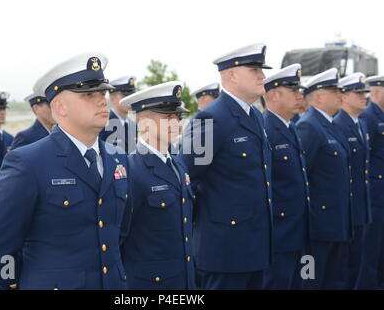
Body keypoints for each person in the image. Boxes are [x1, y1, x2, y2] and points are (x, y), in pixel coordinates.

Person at [0, 53, 130, 290]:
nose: (103, 101)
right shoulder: (28, 162)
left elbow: (119, 234)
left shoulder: (118, 157)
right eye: (89, 94)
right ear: (60, 106)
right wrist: (26, 283)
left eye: (103, 93)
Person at [179, 43, 273, 290]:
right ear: (231, 74)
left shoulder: (256, 116)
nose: (262, 75)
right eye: (254, 70)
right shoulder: (212, 118)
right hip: (225, 249)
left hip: (255, 245)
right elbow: (185, 178)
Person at [119, 81, 195, 289]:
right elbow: (119, 237)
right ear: (144, 125)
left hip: (183, 280)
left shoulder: (177, 163)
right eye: (167, 117)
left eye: (178, 117)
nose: (177, 124)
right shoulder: (132, 170)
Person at [297, 68, 353, 289]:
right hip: (318, 227)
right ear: (318, 96)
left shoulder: (330, 124)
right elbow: (303, 177)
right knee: (312, 281)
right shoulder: (308, 126)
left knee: (334, 280)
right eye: (335, 91)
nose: (341, 95)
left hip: (336, 222)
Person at [262, 64, 310, 289]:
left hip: (295, 230)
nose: (300, 96)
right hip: (278, 233)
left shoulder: (289, 127)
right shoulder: (266, 129)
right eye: (294, 91)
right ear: (274, 95)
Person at [334, 73, 372, 289]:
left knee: (357, 260)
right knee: (343, 266)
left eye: (364, 93)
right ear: (344, 96)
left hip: (360, 206)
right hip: (344, 208)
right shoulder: (338, 125)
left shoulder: (361, 124)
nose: (363, 97)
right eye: (357, 93)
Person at [356, 75, 384, 289]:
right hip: (374, 194)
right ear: (376, 92)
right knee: (370, 249)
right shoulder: (369, 117)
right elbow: (365, 158)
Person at [99, 76, 138, 153]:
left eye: (131, 96)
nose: (129, 100)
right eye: (125, 96)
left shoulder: (133, 124)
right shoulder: (103, 124)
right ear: (112, 98)